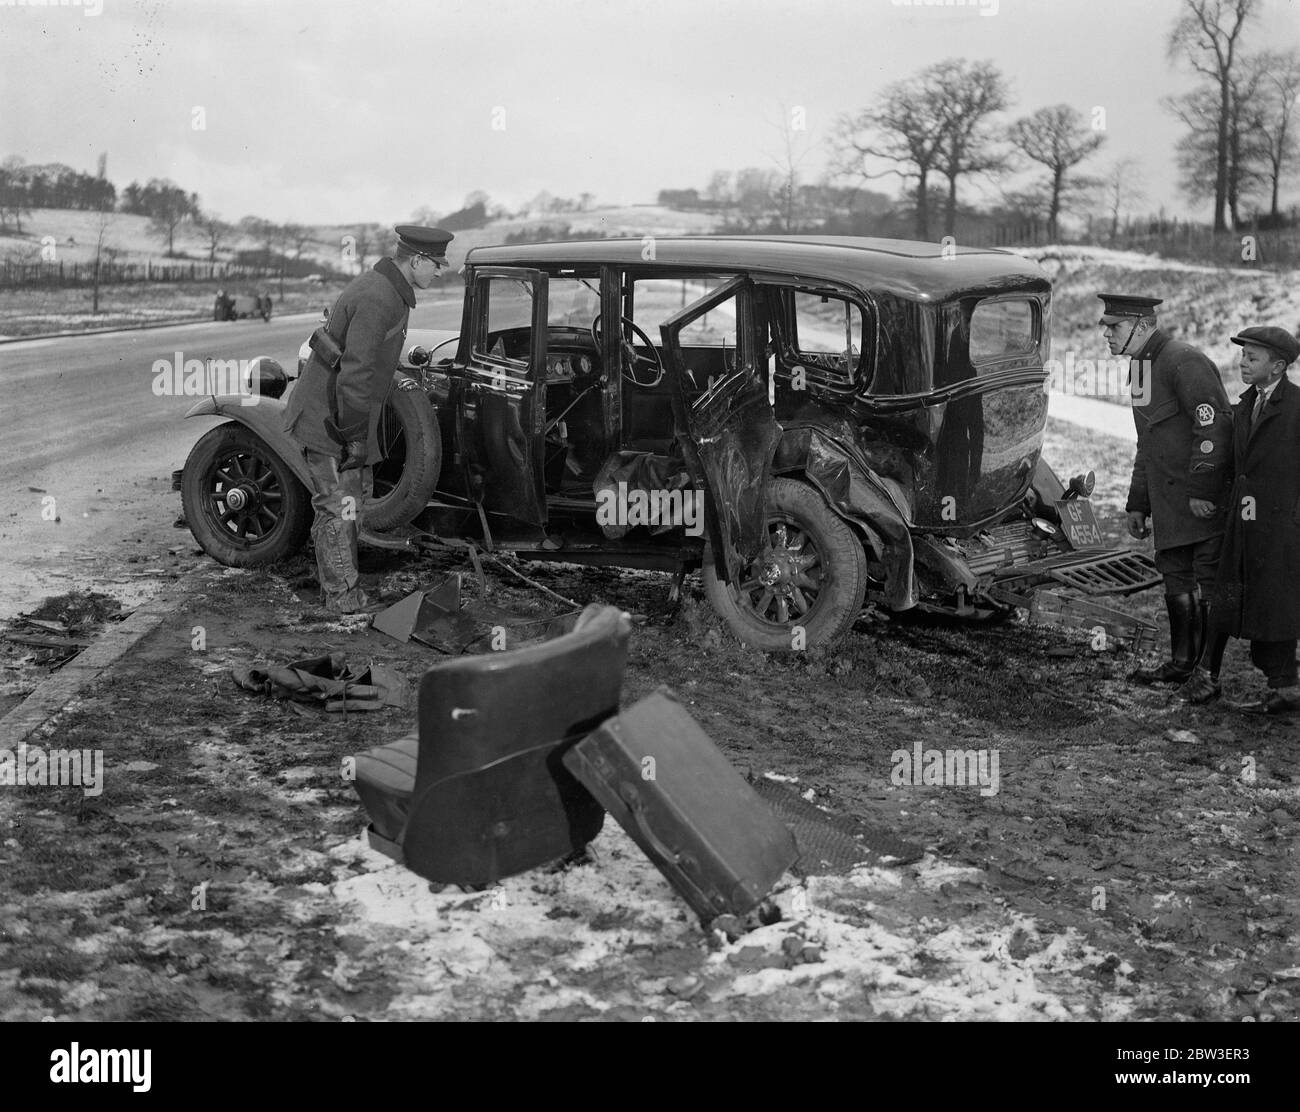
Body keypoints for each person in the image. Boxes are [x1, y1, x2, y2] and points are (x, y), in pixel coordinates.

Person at [283, 224, 453, 614]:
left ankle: (339, 585)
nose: (439, 272)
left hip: (345, 415)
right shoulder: (380, 298)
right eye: (437, 265)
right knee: (338, 505)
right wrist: (354, 439)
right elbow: (355, 374)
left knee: (349, 504)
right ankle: (342, 598)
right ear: (418, 260)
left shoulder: (389, 290)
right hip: (332, 418)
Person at [1098, 293, 1232, 685]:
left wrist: (1204, 490)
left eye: (1115, 327)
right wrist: (1137, 502)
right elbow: (1148, 442)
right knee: (1176, 577)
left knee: (1208, 582)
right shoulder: (1141, 369)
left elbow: (1215, 427)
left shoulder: (1182, 361)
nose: (1106, 334)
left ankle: (1207, 673)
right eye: (1106, 326)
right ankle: (1181, 664)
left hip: (1201, 501)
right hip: (1170, 503)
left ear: (1142, 326)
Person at [1184, 327, 1300, 713]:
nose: (1243, 363)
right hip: (1243, 523)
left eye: (1253, 358)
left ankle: (1284, 687)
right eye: (1243, 355)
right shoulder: (1247, 402)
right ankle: (1207, 675)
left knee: (1277, 605)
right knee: (1229, 594)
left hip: (1282, 528)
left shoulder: (1296, 407)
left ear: (1278, 366)